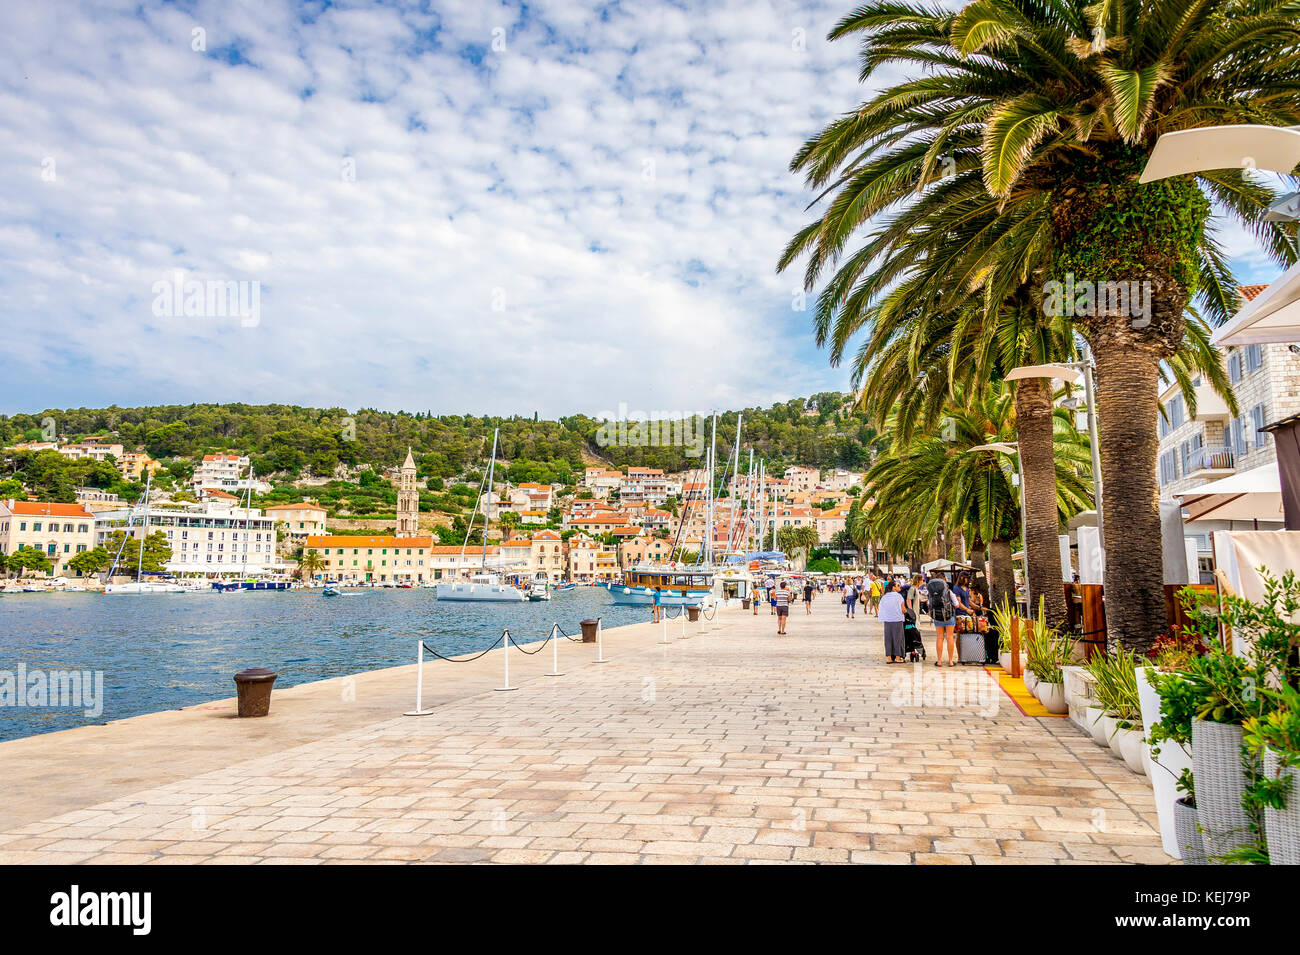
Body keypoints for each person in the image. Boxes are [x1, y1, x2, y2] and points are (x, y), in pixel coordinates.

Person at [926, 571, 957, 667]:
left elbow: (928, 604)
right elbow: (956, 604)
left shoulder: (931, 592)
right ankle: (951, 661)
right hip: (949, 616)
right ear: (944, 580)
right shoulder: (949, 591)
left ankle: (939, 661)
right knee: (950, 637)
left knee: (939, 637)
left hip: (937, 617)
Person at [879, 579, 906, 663]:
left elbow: (881, 608)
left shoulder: (884, 596)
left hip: (887, 620)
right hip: (897, 619)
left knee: (888, 639)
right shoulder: (899, 596)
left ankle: (889, 658)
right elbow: (903, 609)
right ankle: (898, 657)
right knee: (897, 639)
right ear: (893, 587)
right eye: (898, 585)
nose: (899, 587)